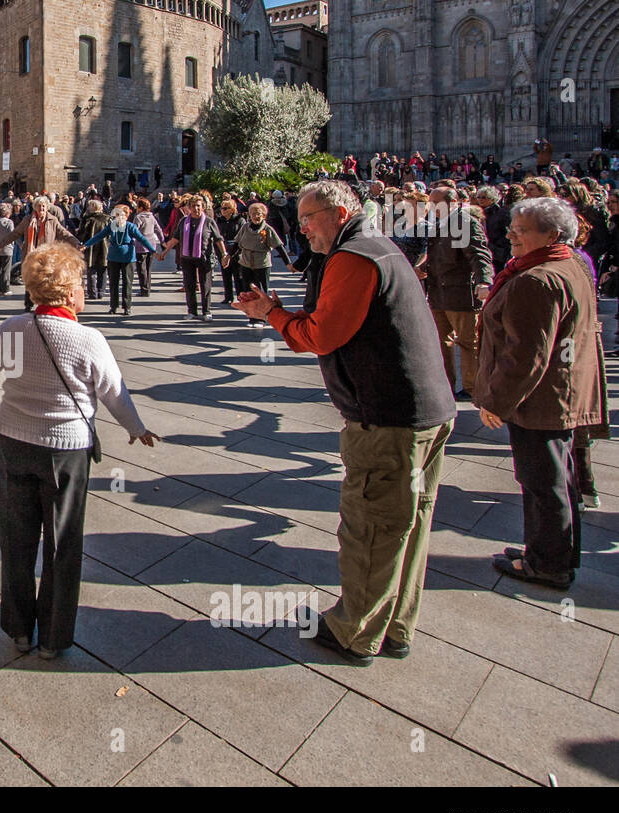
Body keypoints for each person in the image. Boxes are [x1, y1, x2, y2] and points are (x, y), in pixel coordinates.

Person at [233, 180, 456, 664]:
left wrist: (273, 314)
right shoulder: (380, 247)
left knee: (371, 528)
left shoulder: (354, 257)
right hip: (423, 412)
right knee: (407, 525)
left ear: (339, 212)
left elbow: (322, 334)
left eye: (309, 218)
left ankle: (355, 631)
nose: (303, 228)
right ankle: (392, 625)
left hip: (389, 419)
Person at [0, 243, 159, 658]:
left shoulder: (12, 329)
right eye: (82, 284)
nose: (85, 290)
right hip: (66, 451)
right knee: (61, 544)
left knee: (15, 539)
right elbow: (114, 393)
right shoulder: (89, 338)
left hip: (13, 443)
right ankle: (53, 637)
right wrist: (136, 428)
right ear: (69, 294)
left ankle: (17, 628)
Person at [474, 197, 606, 590]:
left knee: (542, 481)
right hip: (561, 393)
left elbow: (525, 356)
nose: (511, 234)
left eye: (522, 229)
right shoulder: (568, 262)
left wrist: (494, 402)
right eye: (512, 226)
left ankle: (548, 563)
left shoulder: (538, 279)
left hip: (542, 399)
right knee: (556, 477)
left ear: (551, 235)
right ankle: (550, 551)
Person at [413, 185, 493, 401]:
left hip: (460, 294)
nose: (431, 206)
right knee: (441, 342)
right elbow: (436, 254)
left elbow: (479, 255)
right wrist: (424, 268)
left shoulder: (465, 223)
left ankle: (472, 388)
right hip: (438, 293)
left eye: (435, 202)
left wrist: (484, 281)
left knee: (468, 343)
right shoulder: (439, 224)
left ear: (452, 203)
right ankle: (445, 386)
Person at [160, 194, 226, 321]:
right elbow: (175, 239)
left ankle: (207, 311)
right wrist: (164, 252)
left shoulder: (209, 221)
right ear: (189, 207)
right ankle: (192, 311)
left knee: (205, 285)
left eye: (199, 206)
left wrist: (224, 255)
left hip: (204, 258)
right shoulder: (184, 221)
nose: (196, 208)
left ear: (203, 207)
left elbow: (218, 239)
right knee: (189, 285)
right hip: (187, 258)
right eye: (194, 206)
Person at [229, 201, 295, 325]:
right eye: (253, 214)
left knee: (261, 291)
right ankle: (252, 317)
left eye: (259, 214)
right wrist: (228, 257)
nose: (256, 216)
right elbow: (237, 244)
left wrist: (288, 264)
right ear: (249, 215)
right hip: (246, 263)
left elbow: (279, 247)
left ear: (264, 215)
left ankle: (261, 318)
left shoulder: (267, 229)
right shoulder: (245, 228)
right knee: (247, 291)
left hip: (262, 264)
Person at [85, 204, 155, 315]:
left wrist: (153, 251)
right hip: (113, 257)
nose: (119, 217)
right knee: (113, 283)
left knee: (127, 283)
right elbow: (99, 236)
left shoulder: (130, 227)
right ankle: (113, 306)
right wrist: (86, 245)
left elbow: (141, 239)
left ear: (127, 216)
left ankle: (127, 307)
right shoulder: (112, 226)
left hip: (128, 258)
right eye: (117, 215)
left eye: (122, 215)